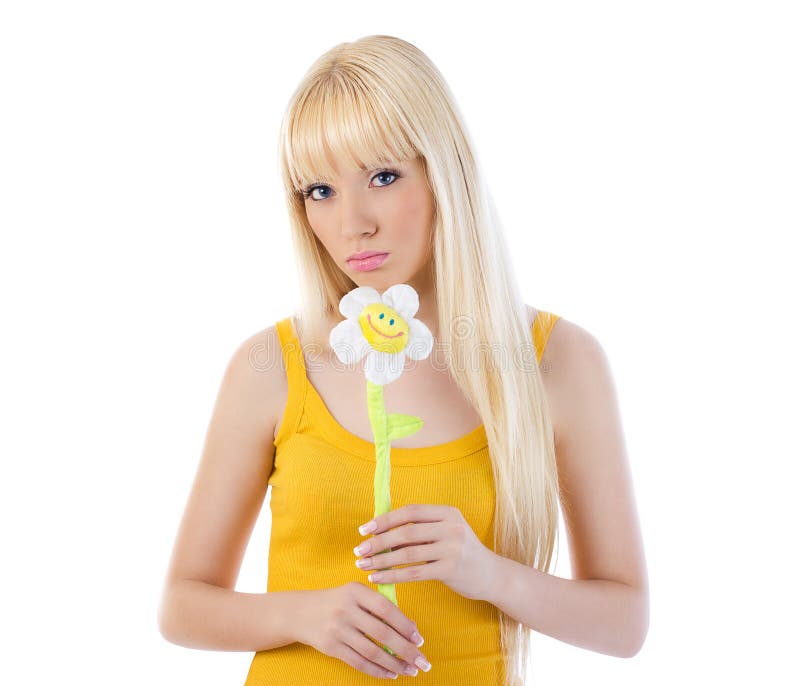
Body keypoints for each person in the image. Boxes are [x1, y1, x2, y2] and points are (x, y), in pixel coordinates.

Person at [157, 34, 649, 686]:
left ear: (446, 172)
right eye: (319, 190)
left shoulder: (558, 361)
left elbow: (624, 624)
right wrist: (302, 614)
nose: (352, 223)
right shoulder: (271, 365)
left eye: (382, 177)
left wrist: (487, 574)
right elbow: (182, 607)